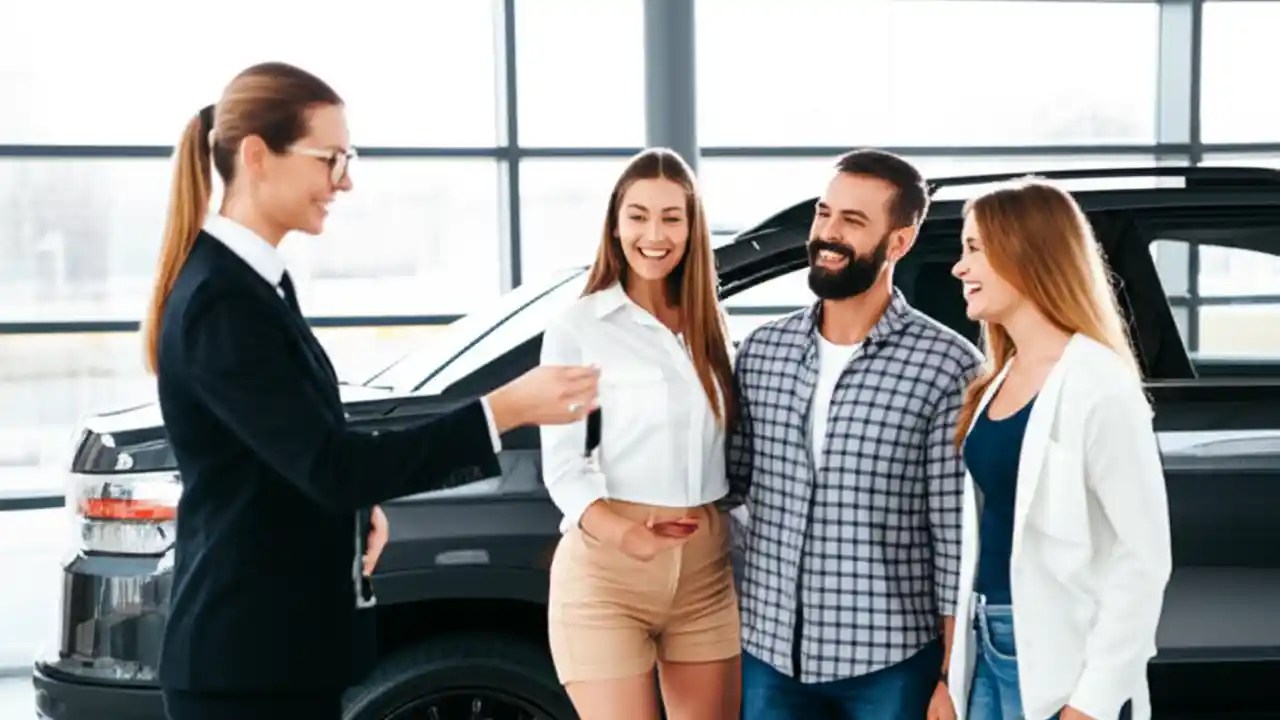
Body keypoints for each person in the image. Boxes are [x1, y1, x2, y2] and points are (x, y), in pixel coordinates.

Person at [146, 62, 599, 720]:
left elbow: (293, 457)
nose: (346, 180)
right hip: (246, 660)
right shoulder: (224, 301)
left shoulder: (254, 285)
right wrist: (504, 409)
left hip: (274, 649)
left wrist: (355, 516)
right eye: (330, 158)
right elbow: (331, 466)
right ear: (256, 156)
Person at [725, 148, 984, 719]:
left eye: (853, 220)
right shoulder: (762, 352)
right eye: (824, 213)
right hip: (769, 657)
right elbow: (727, 486)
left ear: (899, 241)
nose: (828, 233)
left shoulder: (948, 367)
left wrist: (949, 675)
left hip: (889, 667)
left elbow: (955, 541)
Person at [943, 179, 1173, 720]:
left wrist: (1091, 702)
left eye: (974, 248)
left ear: (1027, 255)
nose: (959, 267)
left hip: (1060, 660)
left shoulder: (1100, 383)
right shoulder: (997, 378)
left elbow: (1143, 558)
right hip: (991, 640)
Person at [539, 147, 741, 720]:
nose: (655, 234)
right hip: (609, 573)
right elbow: (564, 465)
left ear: (691, 226)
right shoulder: (579, 327)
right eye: (638, 215)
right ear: (615, 224)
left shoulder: (713, 329)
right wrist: (628, 537)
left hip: (705, 574)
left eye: (671, 217)